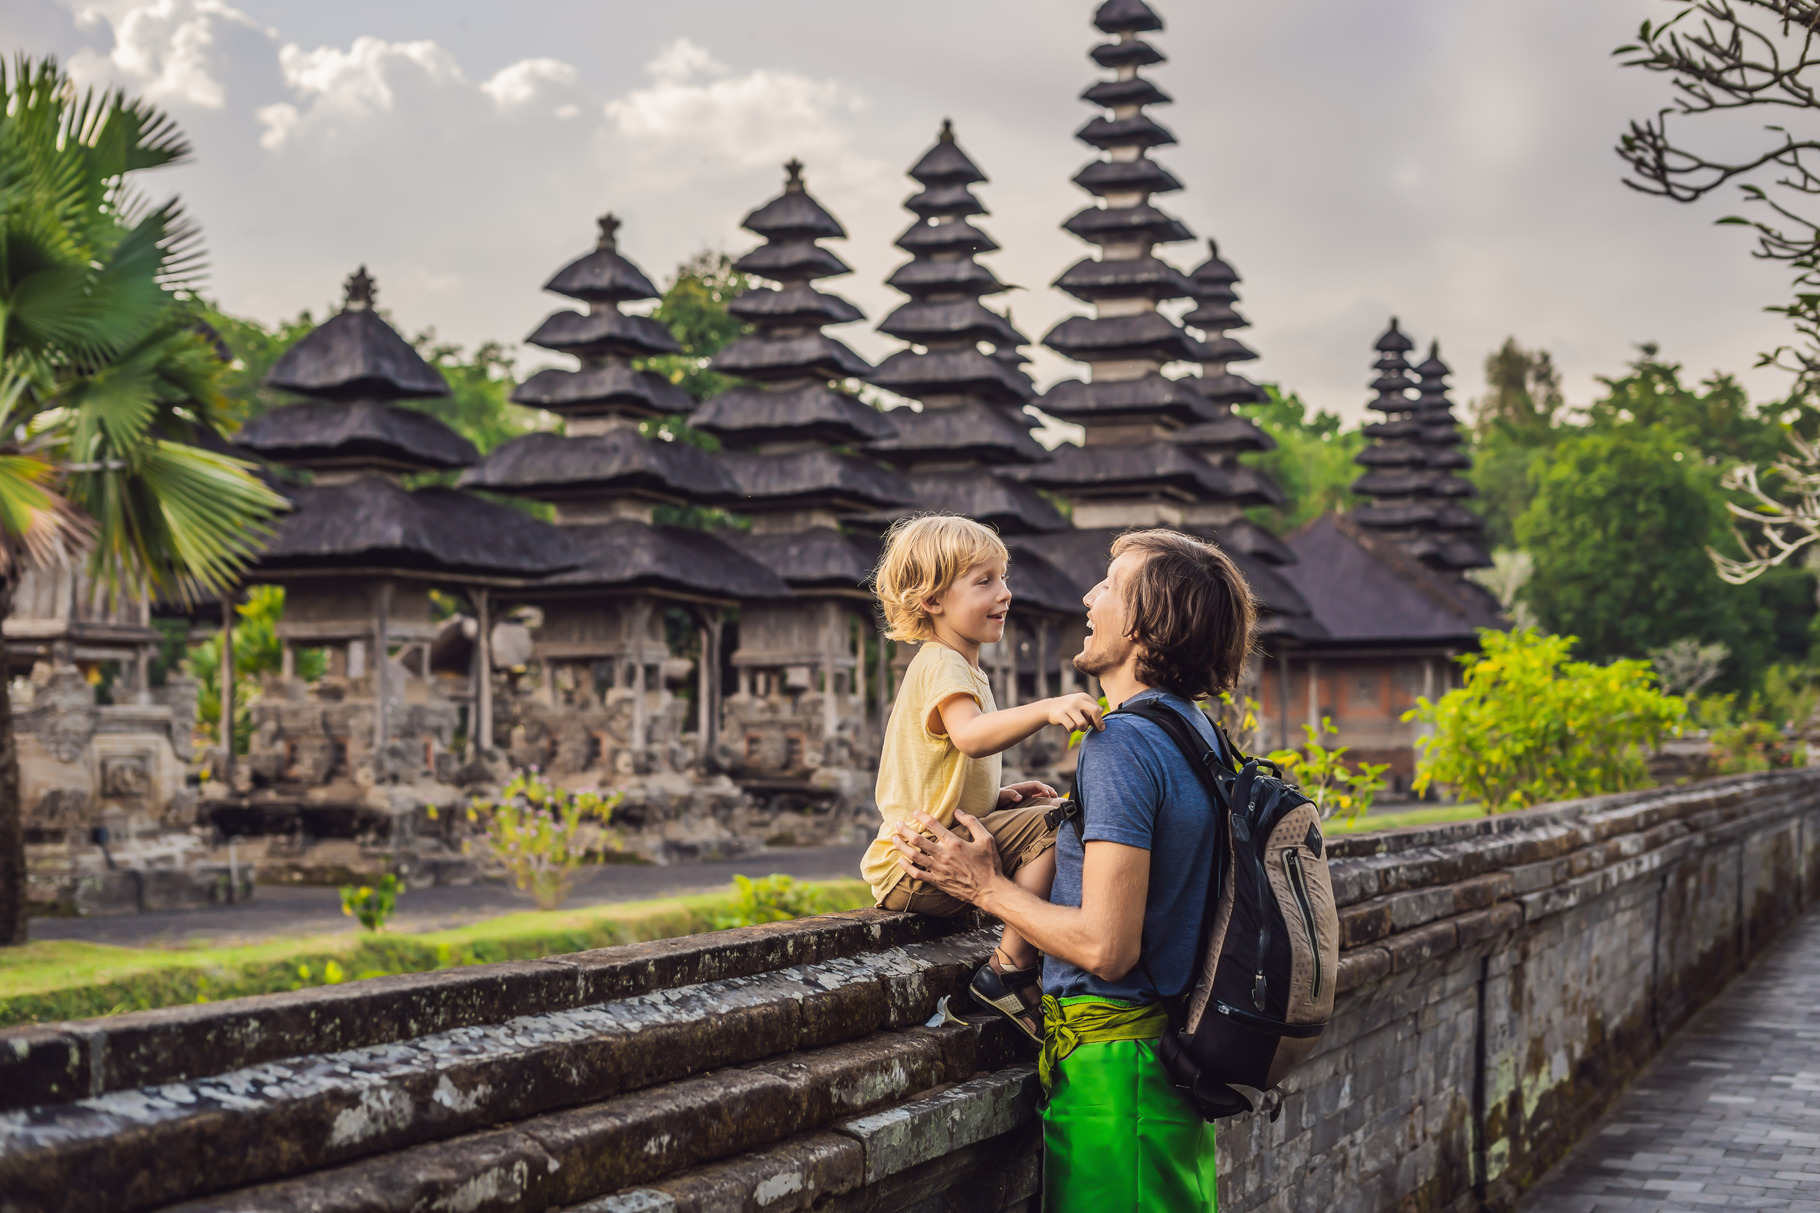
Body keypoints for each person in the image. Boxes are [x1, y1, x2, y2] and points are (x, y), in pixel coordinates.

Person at [891, 528, 1254, 1212]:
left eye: (1110, 586)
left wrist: (985, 885)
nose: (1088, 596)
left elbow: (1106, 946)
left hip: (1119, 1077)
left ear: (1146, 624)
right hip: (1159, 1063)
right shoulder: (1196, 731)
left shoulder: (1120, 742)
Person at [862, 513, 1106, 1041]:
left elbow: (938, 768)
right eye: (985, 582)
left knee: (1044, 813)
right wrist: (1046, 707)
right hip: (920, 862)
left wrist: (998, 796)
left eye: (1003, 578)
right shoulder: (945, 664)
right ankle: (1010, 968)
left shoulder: (956, 666)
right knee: (1060, 822)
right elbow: (971, 737)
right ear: (931, 601)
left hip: (917, 857)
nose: (1005, 594)